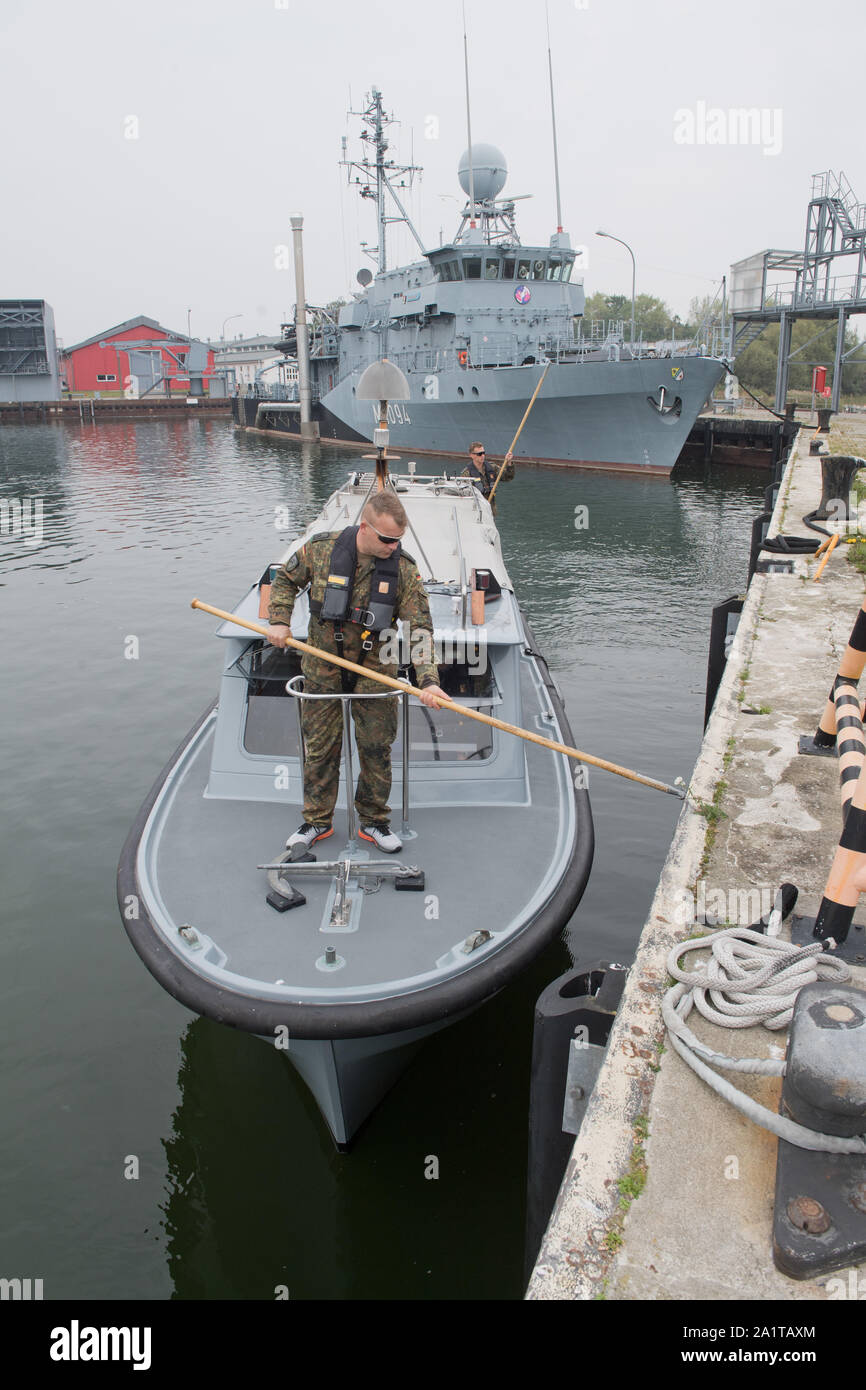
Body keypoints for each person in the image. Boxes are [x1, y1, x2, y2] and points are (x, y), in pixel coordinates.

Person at [266, 491, 447, 854]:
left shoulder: (404, 571)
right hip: (321, 670)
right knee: (319, 750)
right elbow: (284, 580)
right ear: (365, 528)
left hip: (375, 675)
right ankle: (316, 821)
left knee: (376, 751)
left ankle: (374, 822)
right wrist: (279, 621)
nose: (393, 547)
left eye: (399, 540)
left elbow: (420, 630)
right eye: (386, 539)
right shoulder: (320, 550)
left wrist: (428, 681)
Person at [463, 442, 514, 514]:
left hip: (490, 512)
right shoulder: (466, 474)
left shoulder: (492, 468)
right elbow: (464, 496)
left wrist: (509, 462)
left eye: (483, 453)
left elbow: (508, 477)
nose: (483, 456)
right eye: (479, 454)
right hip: (475, 512)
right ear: (472, 455)